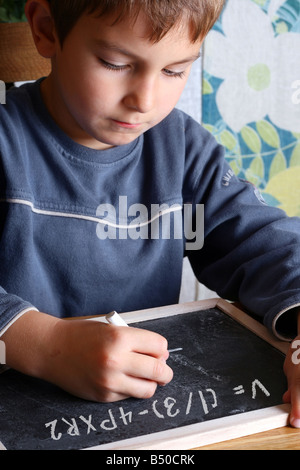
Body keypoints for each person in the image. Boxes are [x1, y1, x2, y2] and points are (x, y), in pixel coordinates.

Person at [1, 0, 300, 428]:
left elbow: (264, 246)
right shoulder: (6, 147)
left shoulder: (182, 153)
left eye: (174, 71)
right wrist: (48, 347)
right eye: (115, 63)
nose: (144, 100)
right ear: (47, 29)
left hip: (146, 419)